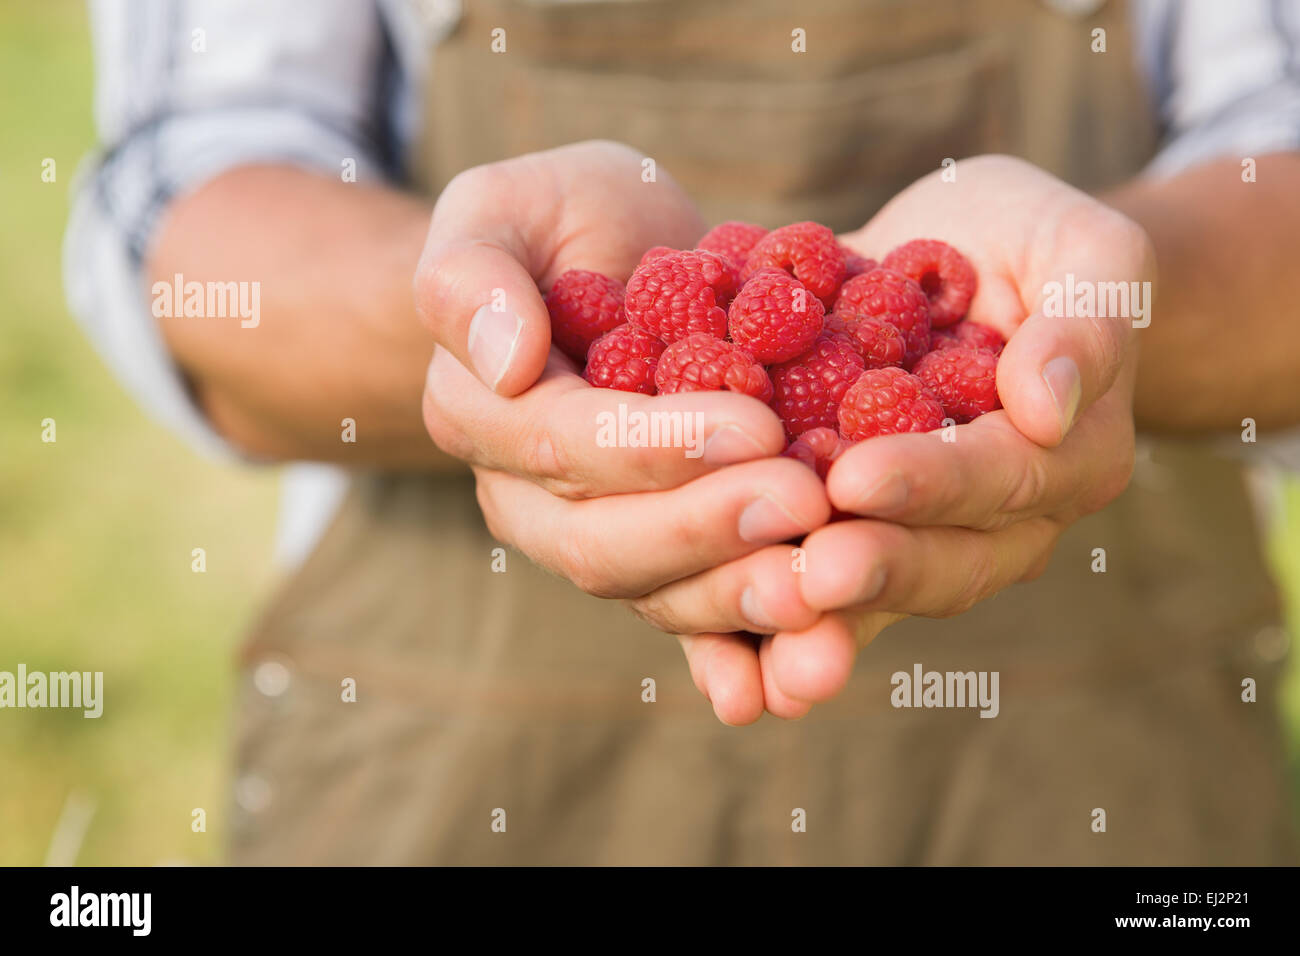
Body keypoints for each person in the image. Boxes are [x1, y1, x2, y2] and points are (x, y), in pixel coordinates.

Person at [67, 0, 1300, 864]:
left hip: (1097, 776)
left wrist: (1110, 320)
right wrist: (499, 332)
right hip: (448, 771)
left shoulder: (861, 338)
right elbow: (194, 193)